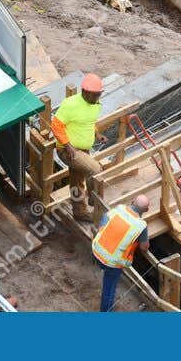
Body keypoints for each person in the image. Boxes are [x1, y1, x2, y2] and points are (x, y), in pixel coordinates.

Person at [51, 73, 105, 221]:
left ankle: (79, 212)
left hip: (83, 150)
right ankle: (94, 200)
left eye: (100, 94)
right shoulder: (70, 104)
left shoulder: (95, 104)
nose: (98, 98)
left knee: (77, 181)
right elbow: (56, 126)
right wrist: (67, 146)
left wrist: (97, 134)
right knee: (96, 169)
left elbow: (88, 122)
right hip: (68, 151)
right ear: (86, 93)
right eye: (96, 95)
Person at [91, 194, 151, 312]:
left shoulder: (119, 209)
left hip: (95, 249)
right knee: (109, 290)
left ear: (132, 201)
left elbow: (105, 216)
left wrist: (103, 230)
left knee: (104, 263)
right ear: (146, 210)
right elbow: (144, 247)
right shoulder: (141, 225)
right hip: (111, 263)